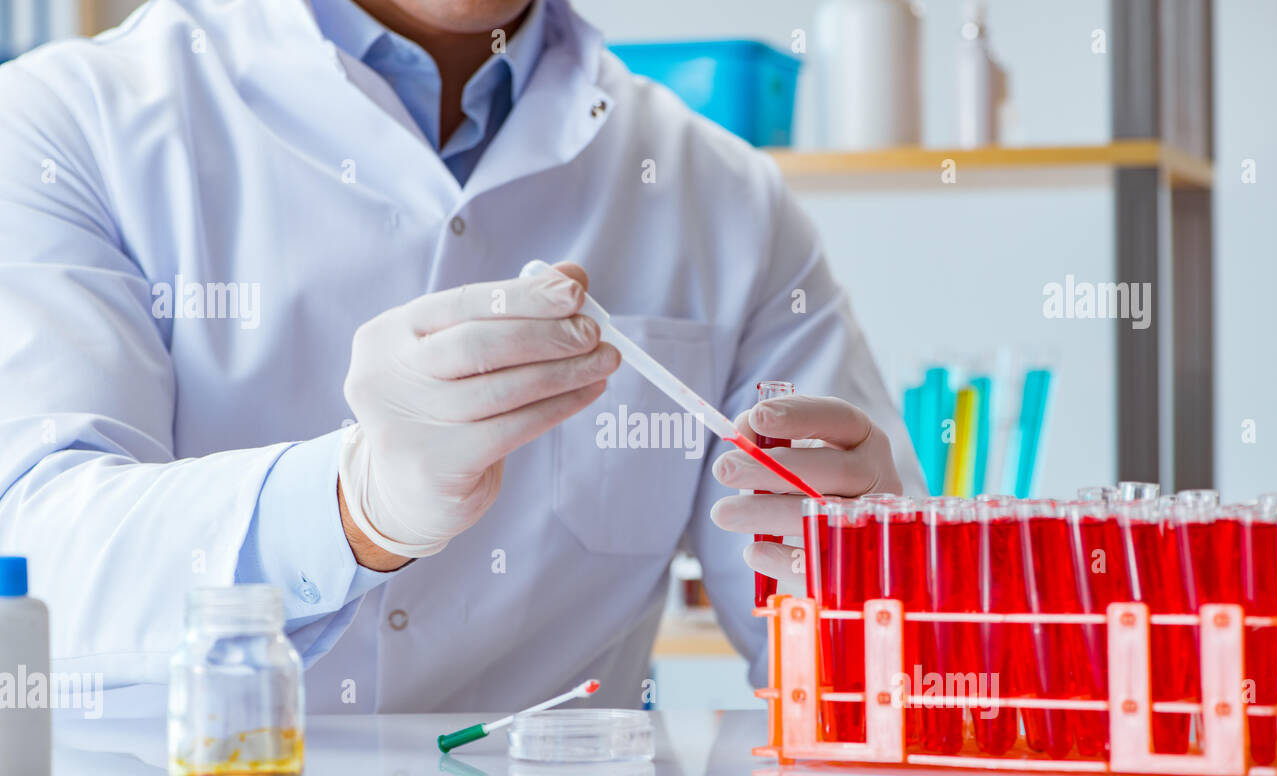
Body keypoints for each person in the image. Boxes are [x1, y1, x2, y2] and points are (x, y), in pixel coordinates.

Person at [0, 0, 924, 716]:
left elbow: (864, 681)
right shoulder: (66, 125)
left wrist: (878, 578)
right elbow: (31, 569)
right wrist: (347, 505)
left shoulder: (724, 199)